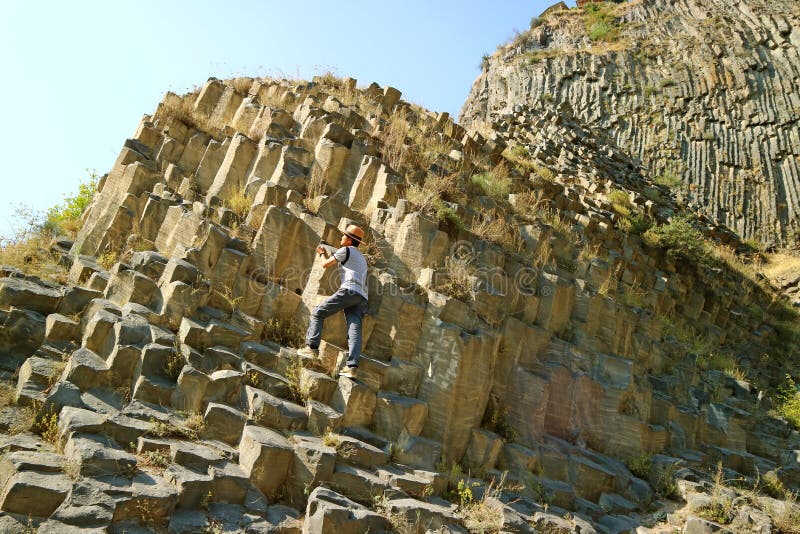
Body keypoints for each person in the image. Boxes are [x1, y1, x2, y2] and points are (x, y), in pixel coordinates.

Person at [298, 224, 368, 378]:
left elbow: (325, 264)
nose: (341, 237)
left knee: (318, 312)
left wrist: (322, 253)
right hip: (362, 297)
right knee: (354, 329)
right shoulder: (361, 258)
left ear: (349, 240)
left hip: (349, 290)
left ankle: (312, 348)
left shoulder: (346, 250)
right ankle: (352, 367)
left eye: (344, 236)